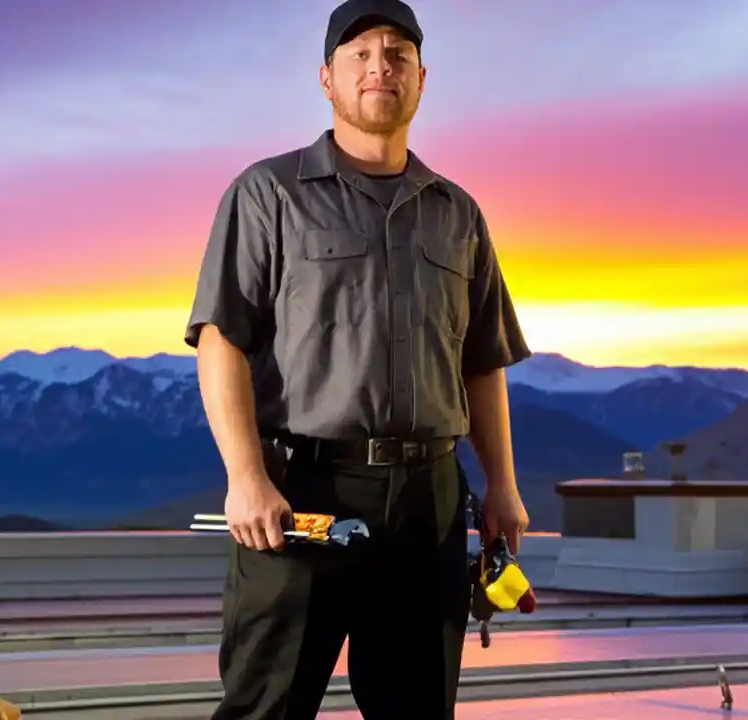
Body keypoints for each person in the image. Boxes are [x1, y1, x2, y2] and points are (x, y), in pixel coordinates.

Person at [182, 0, 532, 717]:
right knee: (267, 707)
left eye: (397, 55)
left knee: (416, 708)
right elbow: (222, 338)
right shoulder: (268, 194)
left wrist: (502, 485)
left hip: (430, 499)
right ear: (327, 78)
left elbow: (481, 360)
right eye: (361, 55)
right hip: (304, 493)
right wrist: (245, 477)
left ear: (421, 79)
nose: (381, 68)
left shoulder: (457, 213)